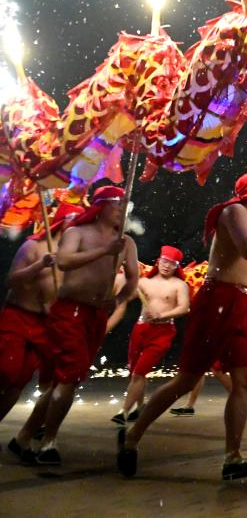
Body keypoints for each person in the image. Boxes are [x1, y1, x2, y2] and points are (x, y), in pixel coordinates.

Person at [117, 169, 247, 481]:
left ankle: (233, 458)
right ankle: (132, 436)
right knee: (187, 380)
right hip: (219, 300)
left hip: (245, 304)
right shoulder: (234, 211)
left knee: (243, 381)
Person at [15, 185, 138, 467]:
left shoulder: (126, 243)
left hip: (96, 315)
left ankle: (23, 437)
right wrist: (104, 251)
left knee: (66, 380)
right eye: (117, 203)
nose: (122, 209)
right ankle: (49, 442)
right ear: (101, 206)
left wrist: (118, 299)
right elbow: (65, 261)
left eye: (124, 204)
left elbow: (133, 279)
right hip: (70, 311)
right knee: (68, 377)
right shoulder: (77, 233)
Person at [2, 203, 84, 463]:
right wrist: (40, 265)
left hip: (45, 324)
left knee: (18, 384)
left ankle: (20, 438)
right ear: (61, 223)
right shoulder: (33, 247)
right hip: (18, 316)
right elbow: (12, 281)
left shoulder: (73, 259)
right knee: (6, 372)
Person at [109, 245, 190, 425]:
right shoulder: (144, 282)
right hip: (141, 329)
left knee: (139, 372)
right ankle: (139, 407)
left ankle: (123, 411)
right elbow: (125, 296)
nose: (166, 266)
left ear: (177, 266)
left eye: (171, 263)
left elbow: (183, 308)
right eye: (164, 261)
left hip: (163, 332)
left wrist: (162, 315)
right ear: (158, 261)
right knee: (136, 373)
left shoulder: (180, 285)